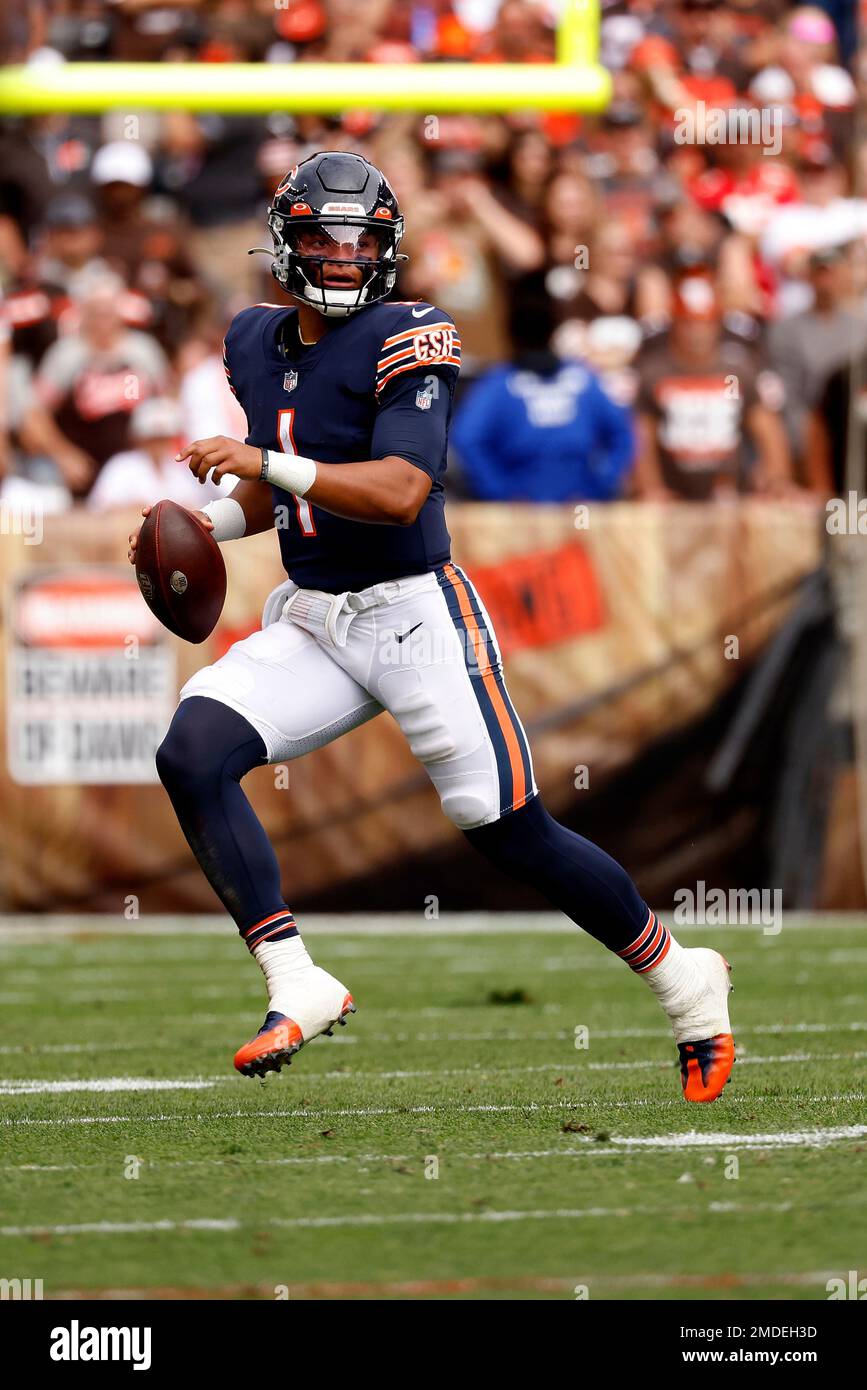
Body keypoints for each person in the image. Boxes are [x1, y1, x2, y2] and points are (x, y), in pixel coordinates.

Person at [128, 152, 735, 1101]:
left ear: (388, 249)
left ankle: (683, 981)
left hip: (415, 615)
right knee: (191, 752)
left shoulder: (411, 332)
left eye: (359, 239)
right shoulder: (253, 340)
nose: (340, 256)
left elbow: (400, 491)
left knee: (508, 830)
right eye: (323, 238)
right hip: (318, 619)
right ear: (285, 241)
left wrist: (259, 463)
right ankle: (299, 979)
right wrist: (208, 521)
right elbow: (287, 479)